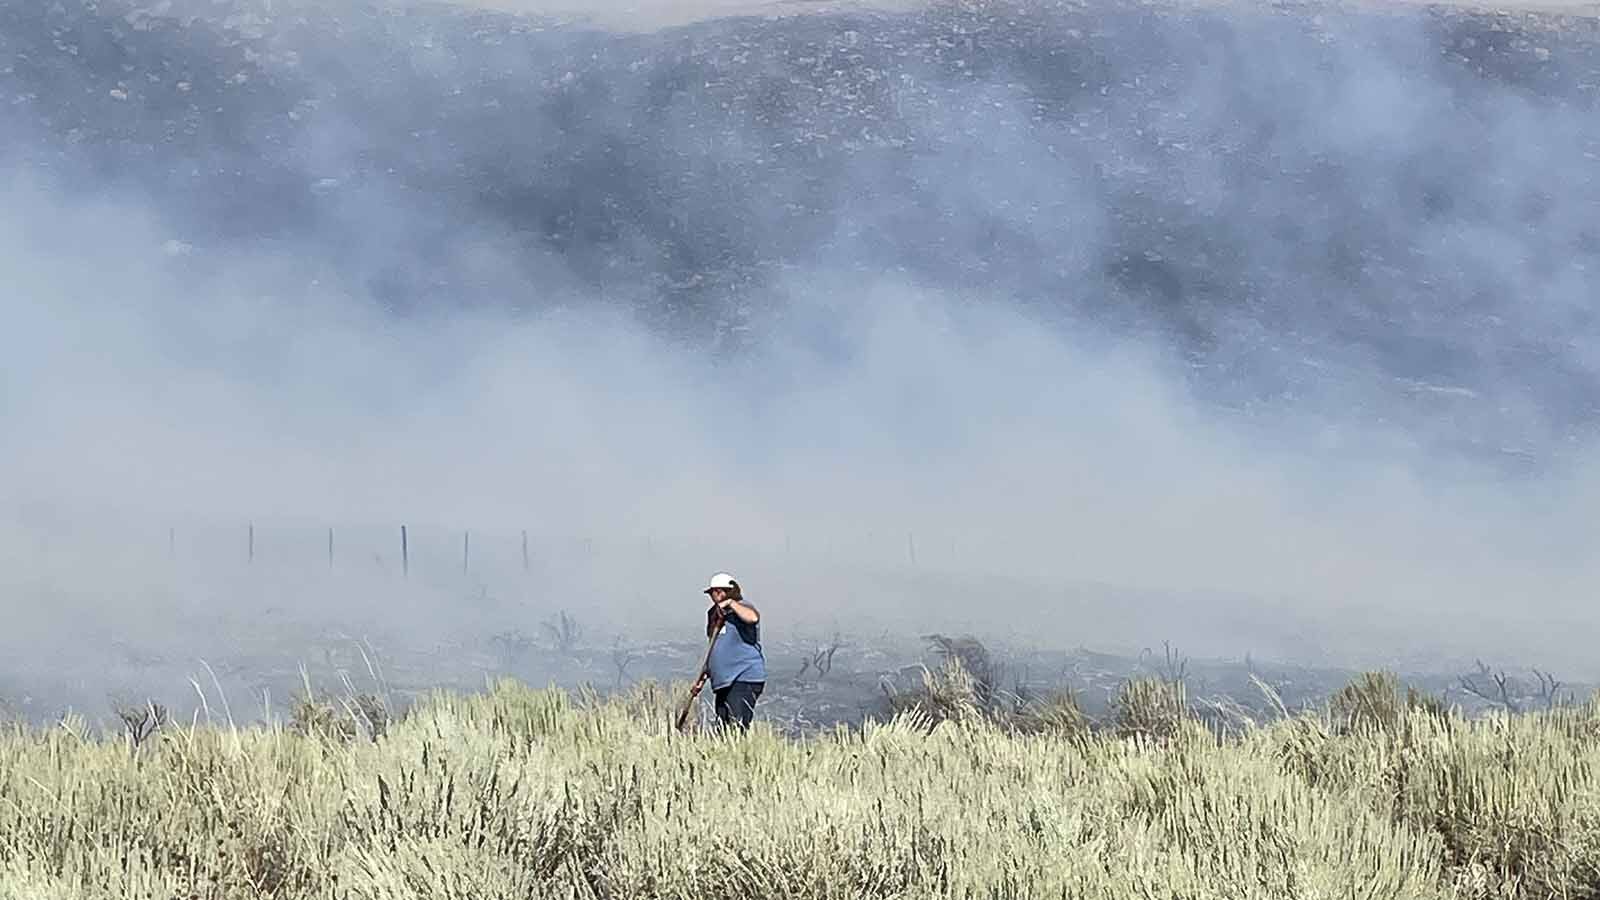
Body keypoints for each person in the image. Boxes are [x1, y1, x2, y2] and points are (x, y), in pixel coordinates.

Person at [699, 572, 766, 731]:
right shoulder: (713, 613)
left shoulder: (742, 606)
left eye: (713, 592)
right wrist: (705, 672)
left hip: (743, 676)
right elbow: (713, 645)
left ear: (720, 592)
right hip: (723, 680)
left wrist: (731, 604)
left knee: (737, 725)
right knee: (723, 728)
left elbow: (753, 618)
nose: (712, 596)